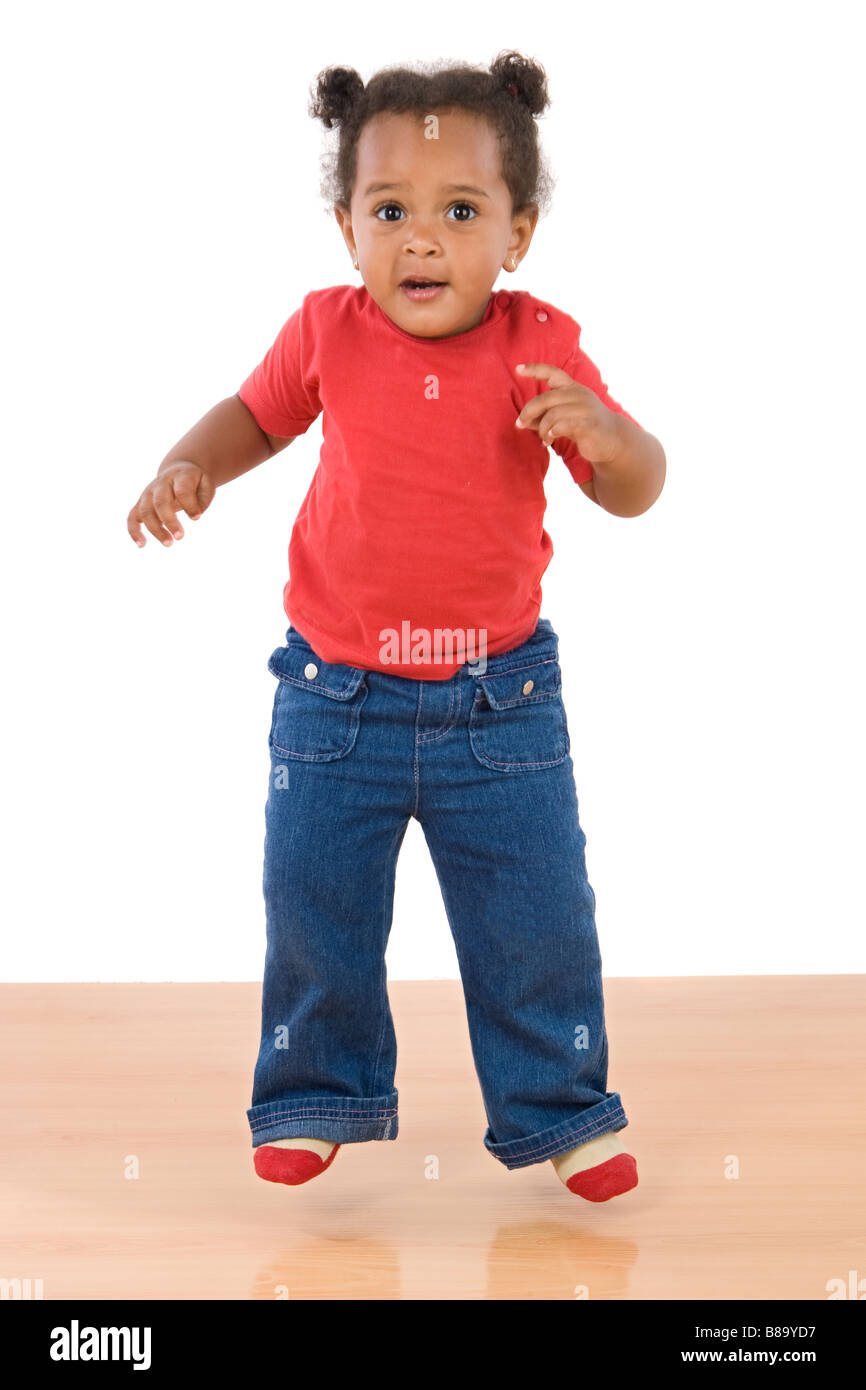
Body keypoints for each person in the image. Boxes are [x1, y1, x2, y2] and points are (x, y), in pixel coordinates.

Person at [127, 50, 665, 1202]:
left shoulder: (537, 344)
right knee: (313, 903)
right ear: (345, 228)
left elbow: (631, 487)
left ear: (516, 234)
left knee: (533, 918)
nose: (421, 241)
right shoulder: (326, 331)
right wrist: (188, 464)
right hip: (336, 701)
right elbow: (252, 416)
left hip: (499, 709)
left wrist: (614, 441)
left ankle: (561, 1108)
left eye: (459, 212)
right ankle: (313, 1096)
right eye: (389, 212)